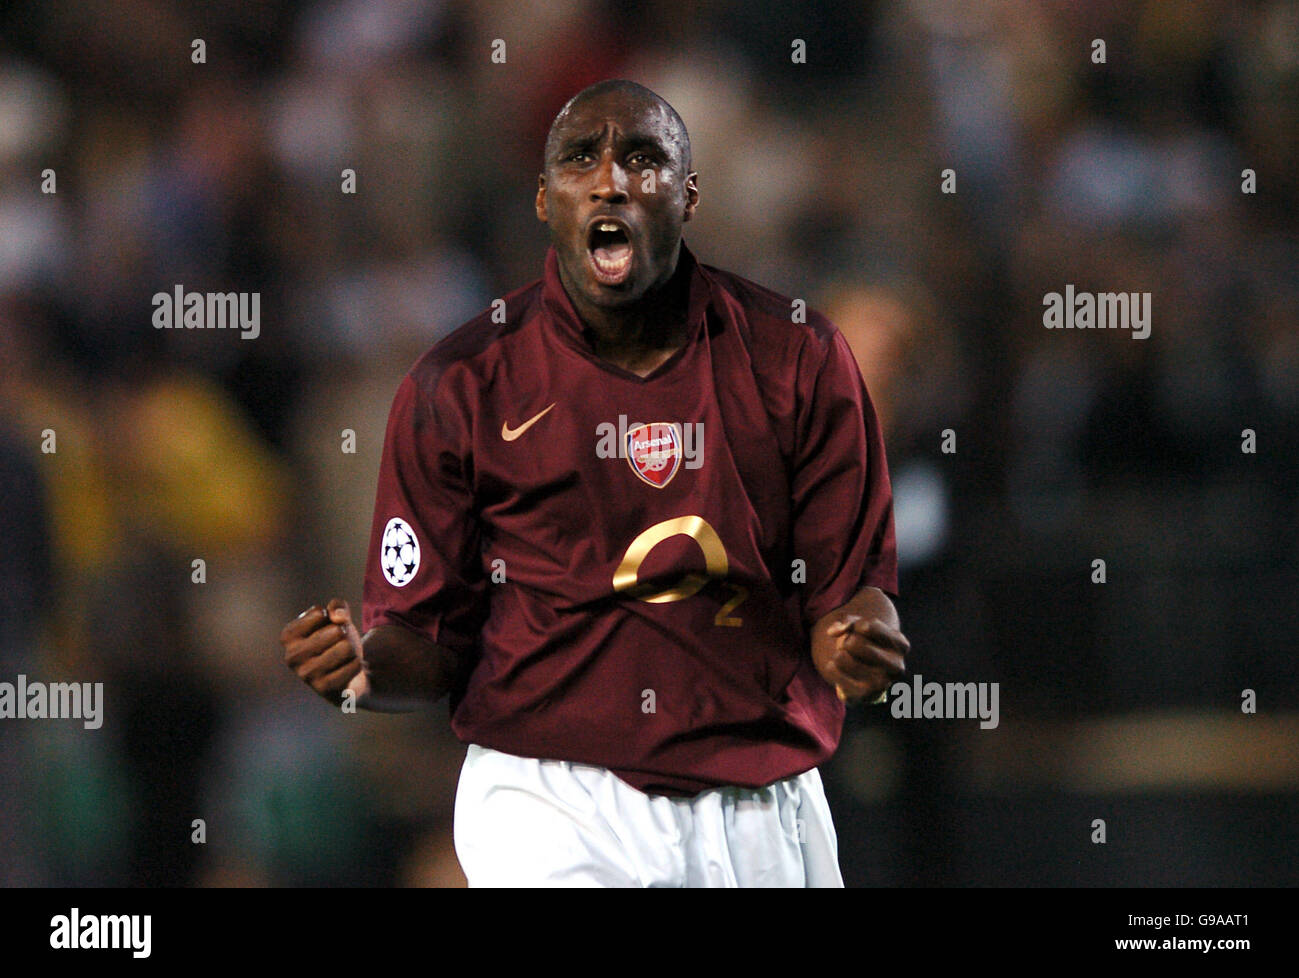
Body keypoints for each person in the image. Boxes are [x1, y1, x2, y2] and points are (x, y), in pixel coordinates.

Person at [280, 79, 910, 887]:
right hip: (552, 797)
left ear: (688, 197)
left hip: (762, 798)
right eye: (582, 159)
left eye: (642, 159)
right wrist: (361, 670)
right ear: (546, 200)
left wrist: (856, 640)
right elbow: (425, 645)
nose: (611, 179)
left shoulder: (800, 360)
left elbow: (851, 595)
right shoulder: (460, 387)